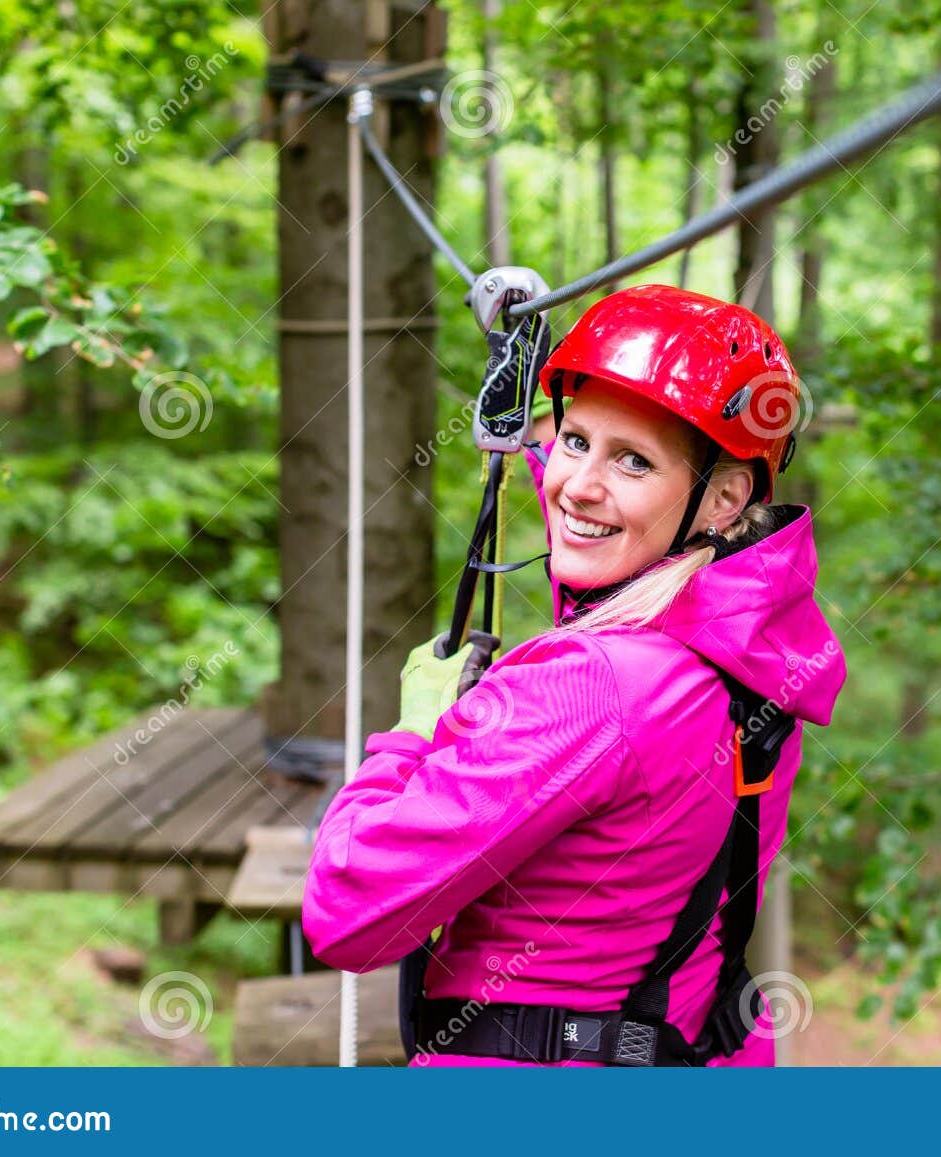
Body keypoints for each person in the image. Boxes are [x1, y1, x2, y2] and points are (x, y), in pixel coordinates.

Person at [302, 284, 846, 1066]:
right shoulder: (754, 656)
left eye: (633, 459)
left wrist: (414, 732)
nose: (576, 484)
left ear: (723, 499)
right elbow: (602, 518)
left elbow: (348, 913)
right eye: (574, 440)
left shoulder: (589, 686)